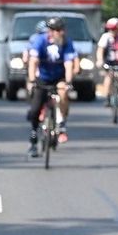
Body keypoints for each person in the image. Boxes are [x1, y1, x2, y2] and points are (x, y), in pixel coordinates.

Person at [25, 16, 76, 157]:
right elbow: (33, 61)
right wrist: (32, 79)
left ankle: (62, 123)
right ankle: (34, 138)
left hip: (59, 77)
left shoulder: (66, 42)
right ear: (50, 31)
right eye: (55, 30)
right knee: (35, 109)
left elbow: (69, 63)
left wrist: (69, 81)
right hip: (43, 77)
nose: (58, 33)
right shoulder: (40, 41)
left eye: (60, 30)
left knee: (63, 93)